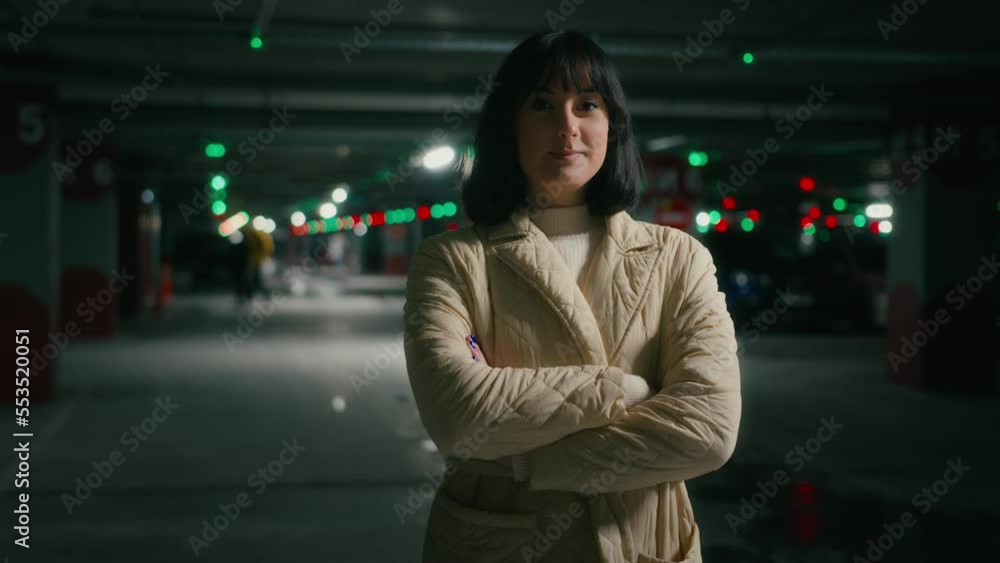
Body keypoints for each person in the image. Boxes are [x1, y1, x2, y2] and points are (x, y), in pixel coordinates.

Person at [402, 30, 741, 563]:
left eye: (588, 104)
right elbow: (460, 418)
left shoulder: (678, 258)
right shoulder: (453, 260)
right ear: (509, 125)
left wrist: (531, 464)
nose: (567, 127)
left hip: (642, 541)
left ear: (612, 124)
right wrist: (624, 390)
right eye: (542, 104)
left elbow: (708, 431)